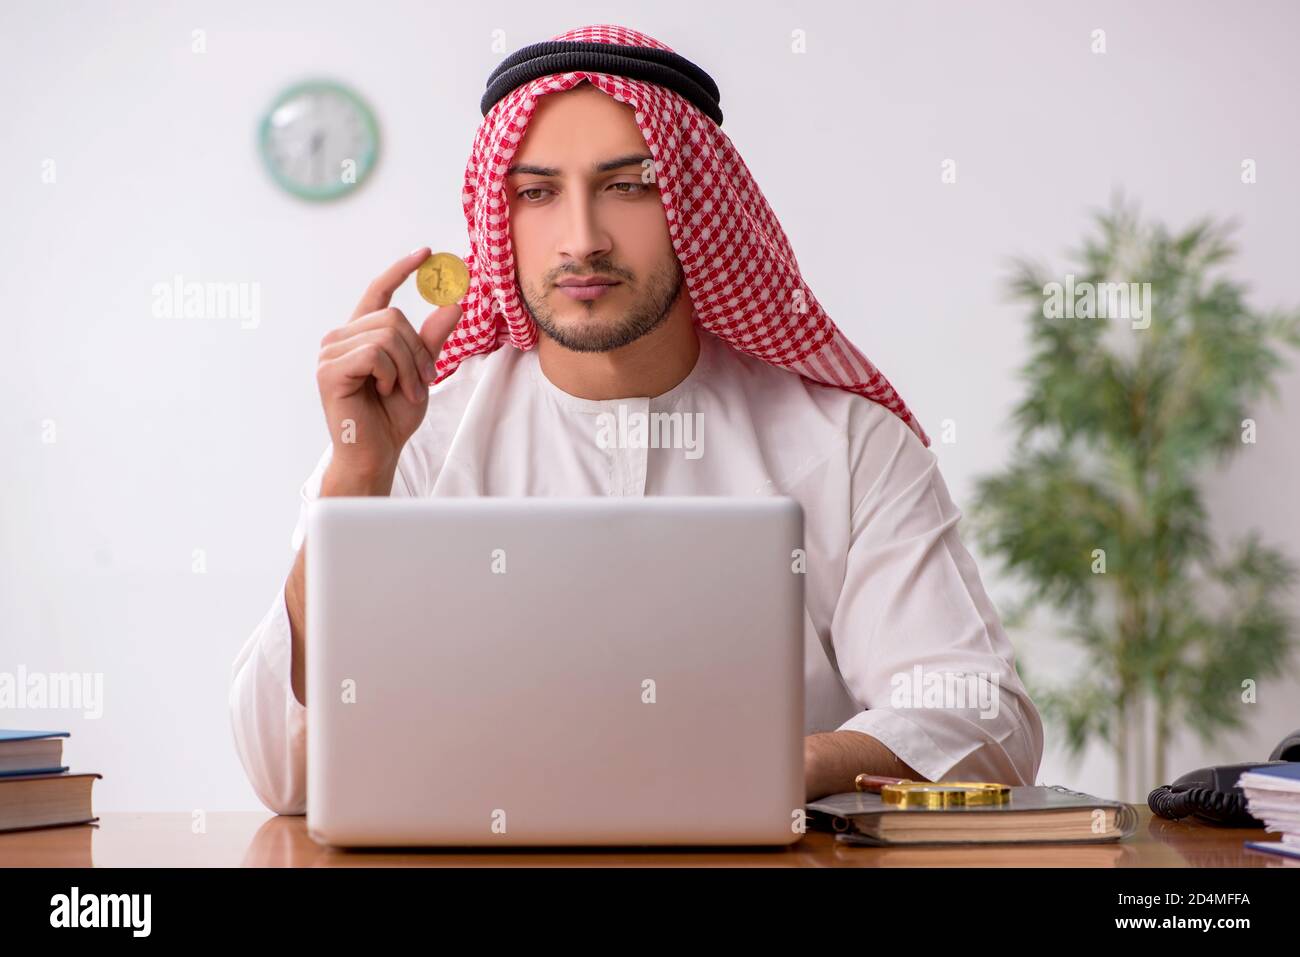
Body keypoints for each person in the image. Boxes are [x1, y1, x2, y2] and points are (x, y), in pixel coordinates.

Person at [229, 24, 1043, 816]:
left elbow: (982, 717)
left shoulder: (850, 445)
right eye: (537, 193)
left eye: (630, 185)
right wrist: (354, 476)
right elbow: (284, 772)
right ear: (499, 221)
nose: (581, 240)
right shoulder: (412, 440)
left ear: (698, 204)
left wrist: (787, 764)